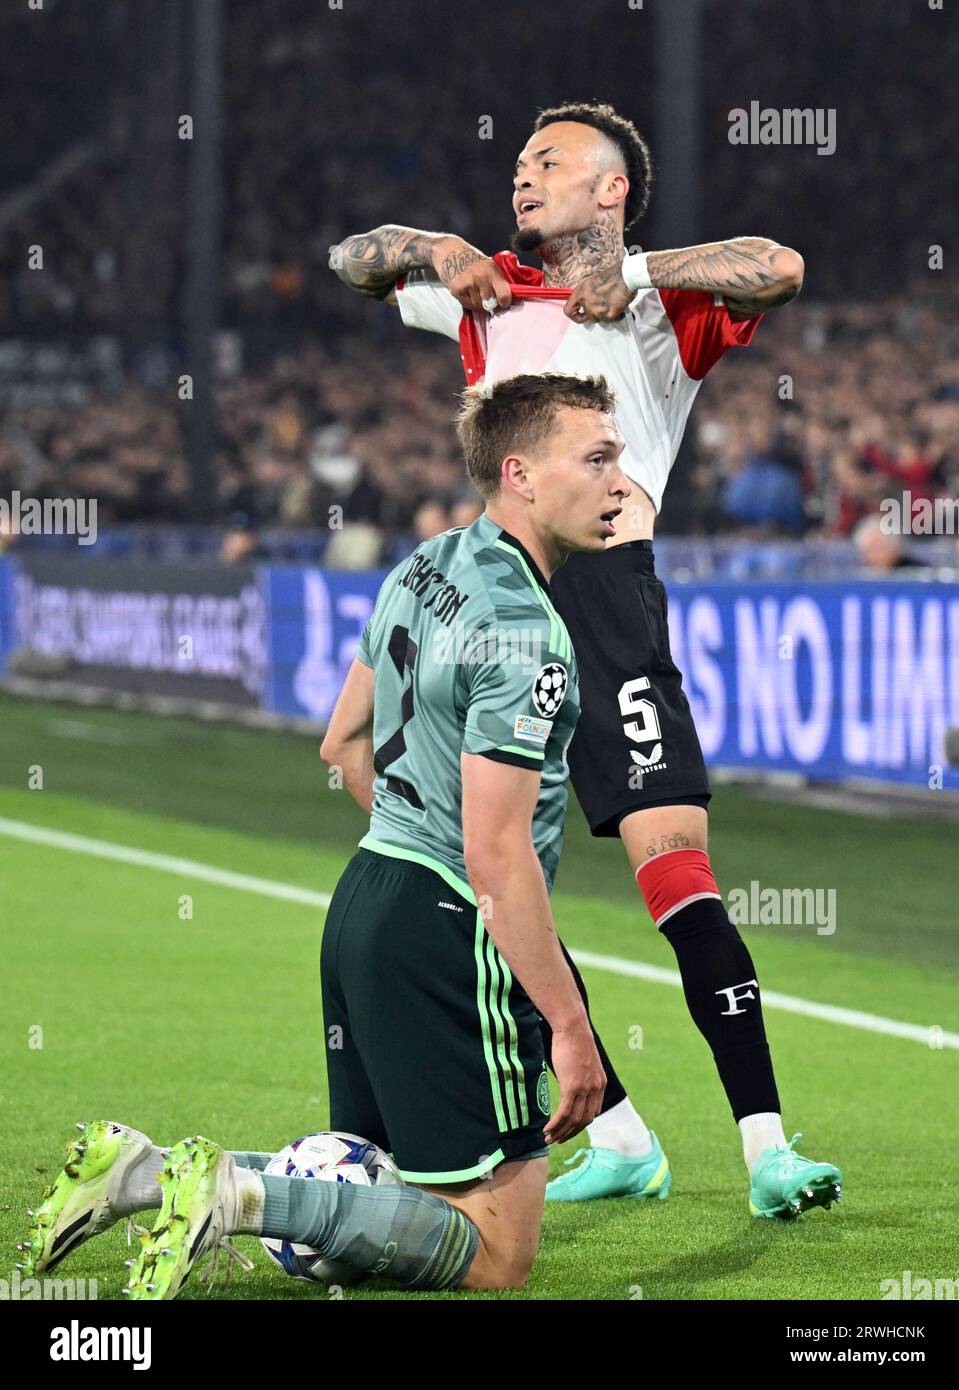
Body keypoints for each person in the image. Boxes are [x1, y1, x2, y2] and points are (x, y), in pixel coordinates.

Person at [329, 100, 842, 1217]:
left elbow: (782, 266)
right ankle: (619, 1131)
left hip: (607, 600)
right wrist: (439, 248)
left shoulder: (665, 307)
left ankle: (765, 1149)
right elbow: (350, 261)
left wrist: (645, 273)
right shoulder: (490, 293)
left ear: (612, 188)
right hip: (494, 603)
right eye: (518, 163)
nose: (524, 176)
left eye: (550, 161)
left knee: (674, 870)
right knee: (493, 871)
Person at [19, 372, 626, 1297]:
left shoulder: (424, 565)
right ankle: (233, 1191)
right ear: (521, 475)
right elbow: (496, 855)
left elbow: (340, 743)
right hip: (447, 927)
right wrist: (572, 1026)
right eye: (596, 457)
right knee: (497, 1255)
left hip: (364, 898)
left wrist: (412, 834)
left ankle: (140, 1177)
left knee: (388, 1181)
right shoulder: (525, 632)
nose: (620, 479)